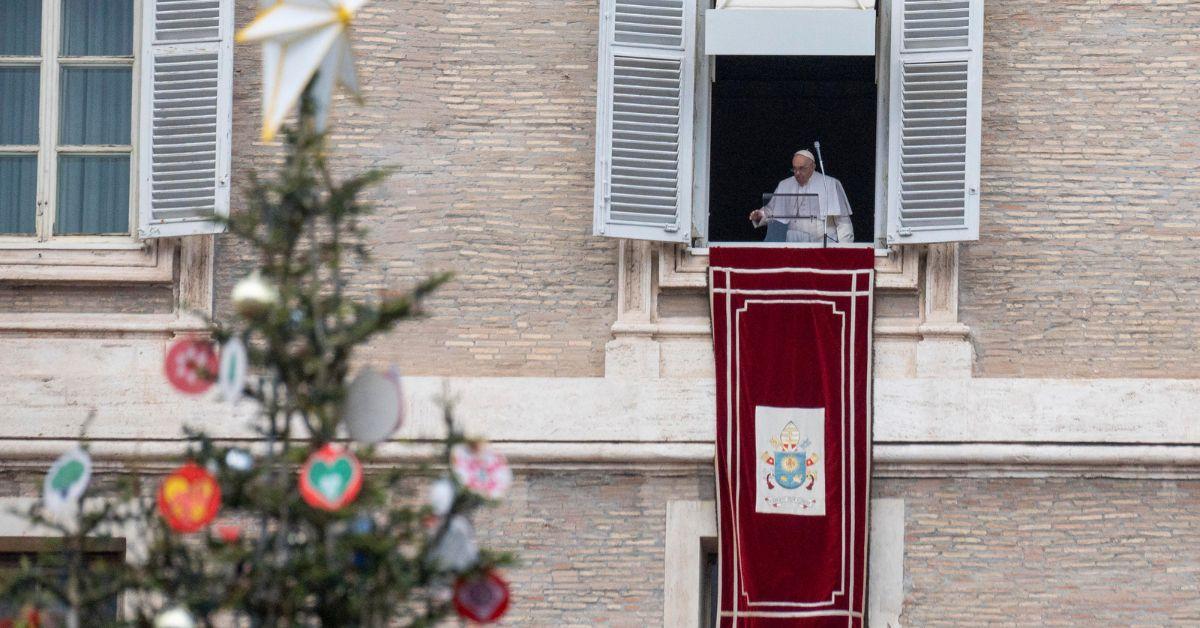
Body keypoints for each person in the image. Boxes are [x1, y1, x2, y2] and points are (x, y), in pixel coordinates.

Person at [748, 149, 855, 243]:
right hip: (793, 244)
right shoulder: (785, 184)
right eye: (794, 169)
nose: (797, 173)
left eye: (802, 168)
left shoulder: (830, 184)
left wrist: (844, 249)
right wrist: (760, 215)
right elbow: (772, 211)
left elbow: (843, 223)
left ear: (813, 167)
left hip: (822, 244)